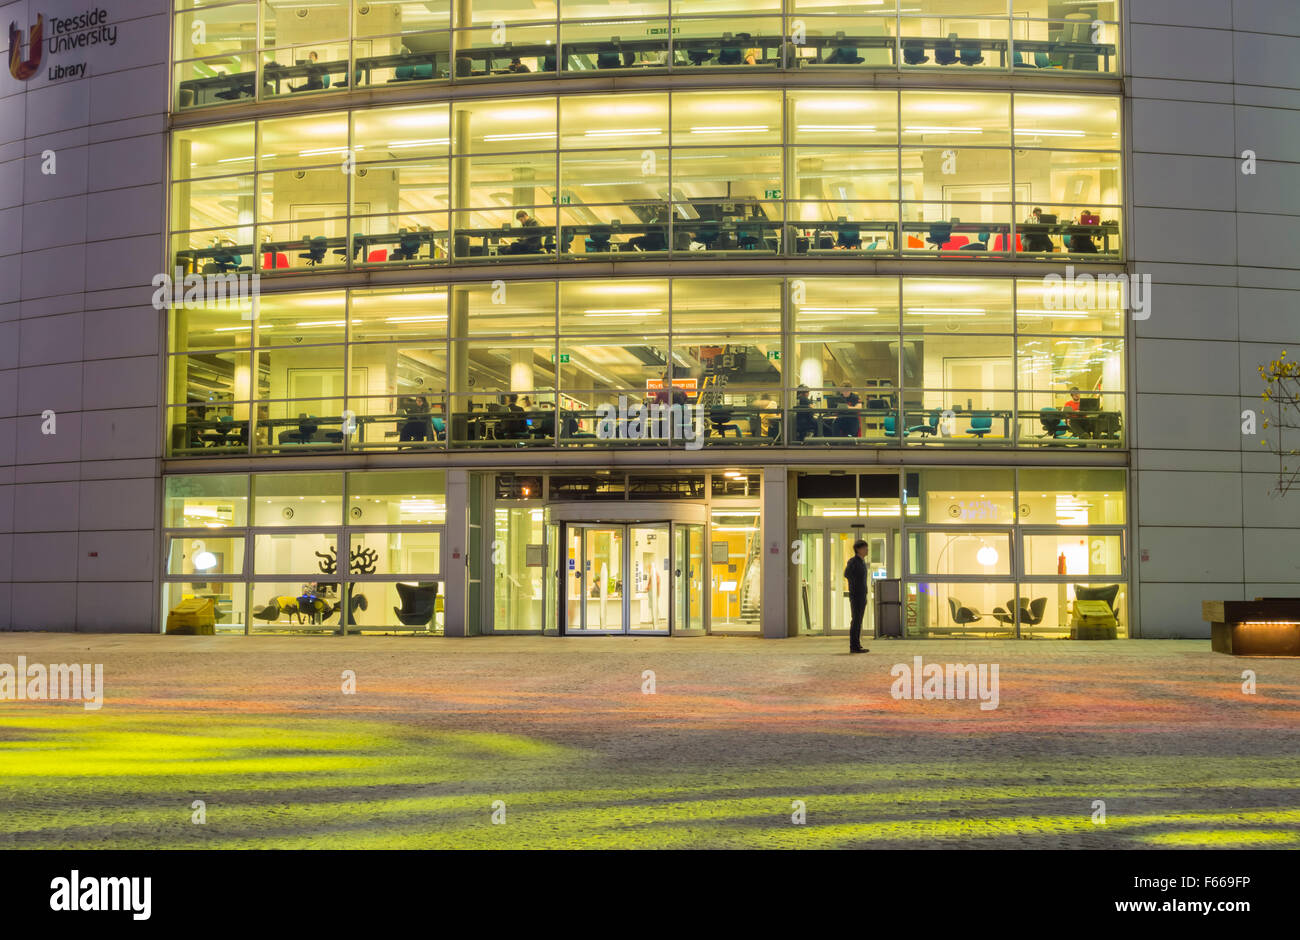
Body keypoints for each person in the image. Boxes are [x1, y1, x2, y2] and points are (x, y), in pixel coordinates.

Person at [843, 540, 870, 654]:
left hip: (862, 594)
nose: (867, 550)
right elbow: (847, 574)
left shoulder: (862, 562)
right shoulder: (854, 561)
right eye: (865, 548)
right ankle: (854, 646)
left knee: (858, 620)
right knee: (856, 620)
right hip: (856, 595)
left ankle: (857, 645)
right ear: (859, 549)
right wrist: (855, 585)